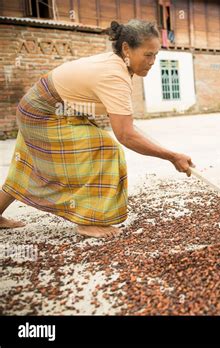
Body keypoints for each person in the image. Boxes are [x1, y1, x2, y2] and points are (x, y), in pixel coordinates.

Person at [0, 19, 194, 238]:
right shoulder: (114, 75)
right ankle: (89, 222)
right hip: (43, 112)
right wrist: (171, 156)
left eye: (156, 55)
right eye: (148, 55)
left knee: (26, 165)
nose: (153, 61)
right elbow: (125, 135)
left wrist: (169, 152)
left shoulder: (117, 65)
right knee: (105, 148)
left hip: (40, 106)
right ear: (126, 48)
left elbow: (126, 124)